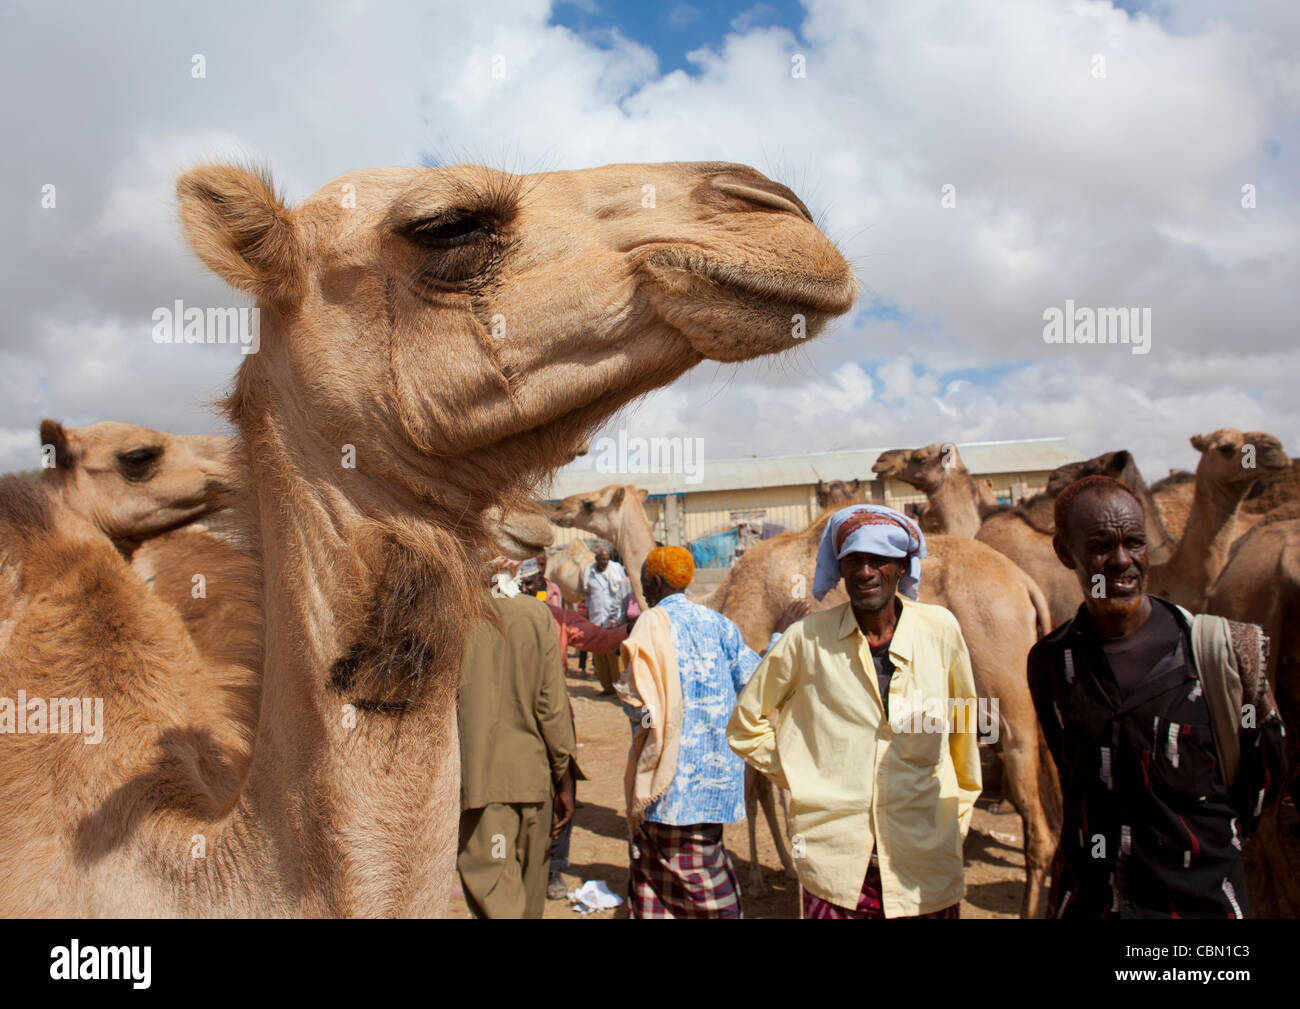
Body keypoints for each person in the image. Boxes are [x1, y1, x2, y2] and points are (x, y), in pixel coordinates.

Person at [1028, 475, 1286, 918]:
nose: (1122, 561)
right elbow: (1072, 771)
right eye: (1100, 546)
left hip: (1198, 905)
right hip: (1092, 900)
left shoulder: (1221, 654)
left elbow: (1261, 784)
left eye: (1135, 542)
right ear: (1064, 553)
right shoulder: (1052, 663)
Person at [728, 504, 981, 919]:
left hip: (925, 869)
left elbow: (963, 732)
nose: (865, 571)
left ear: (902, 566)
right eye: (854, 561)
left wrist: (957, 820)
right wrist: (800, 771)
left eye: (879, 559)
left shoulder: (941, 630)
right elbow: (745, 725)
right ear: (841, 570)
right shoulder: (804, 640)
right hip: (836, 871)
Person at [617, 545, 774, 919]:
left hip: (668, 781)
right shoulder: (719, 624)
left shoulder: (651, 625)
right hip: (716, 778)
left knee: (694, 883)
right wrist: (783, 636)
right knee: (666, 871)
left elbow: (635, 705)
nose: (643, 590)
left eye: (644, 582)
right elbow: (755, 680)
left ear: (655, 582)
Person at [458, 573, 577, 918]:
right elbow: (552, 707)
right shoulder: (536, 614)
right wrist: (565, 781)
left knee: (498, 905)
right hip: (534, 782)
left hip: (481, 790)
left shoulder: (453, 614)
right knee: (528, 907)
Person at [520, 561, 629, 899]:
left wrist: (633, 630)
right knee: (557, 791)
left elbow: (598, 639)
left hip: (537, 719)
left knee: (556, 792)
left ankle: (549, 870)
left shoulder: (557, 619)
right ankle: (546, 869)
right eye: (530, 582)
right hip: (543, 719)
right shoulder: (547, 618)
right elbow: (600, 639)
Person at [585, 546, 629, 696]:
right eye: (602, 559)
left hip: (613, 620)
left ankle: (618, 687)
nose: (605, 562)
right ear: (596, 559)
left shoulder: (616, 570)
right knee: (599, 655)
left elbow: (624, 592)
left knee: (613, 655)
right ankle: (606, 686)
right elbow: (588, 594)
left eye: (607, 559)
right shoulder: (589, 572)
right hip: (596, 618)